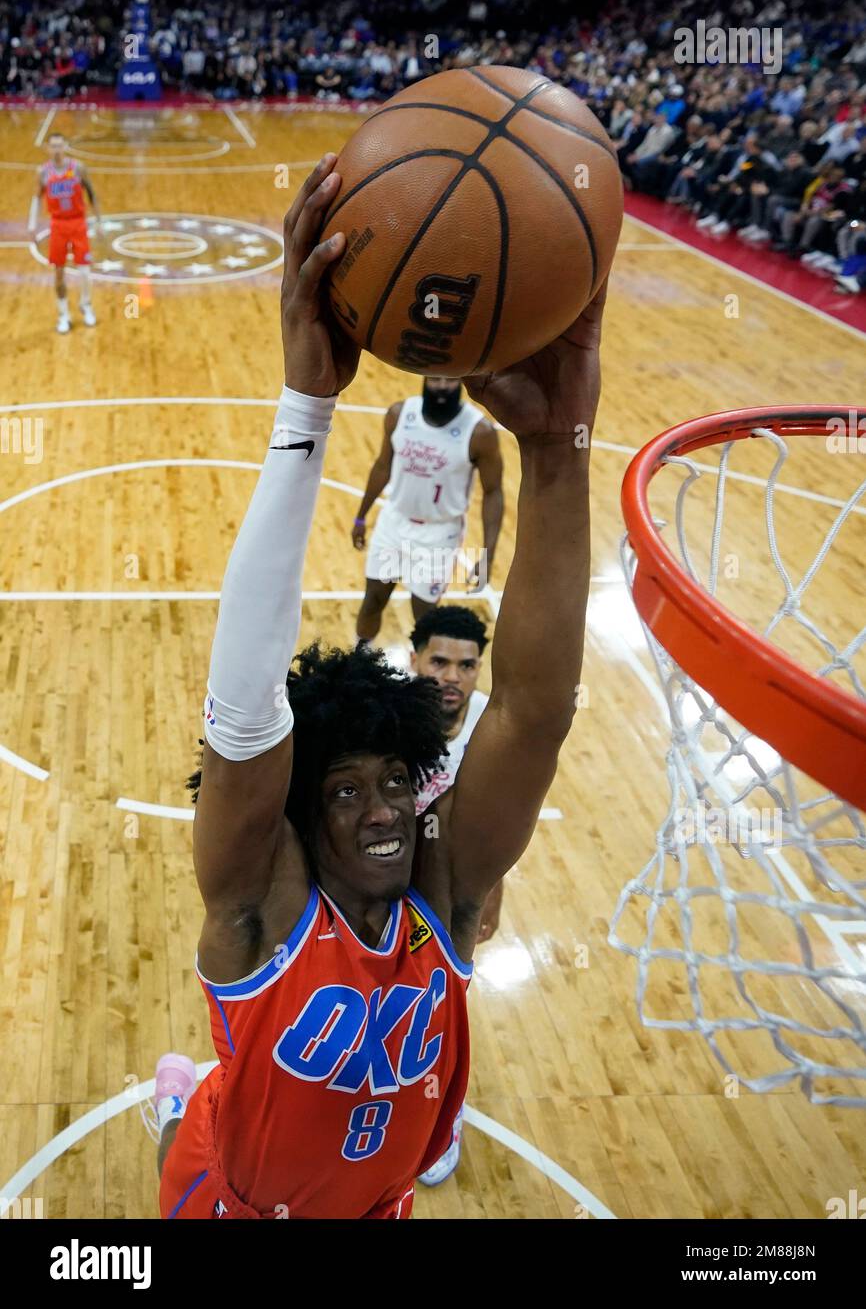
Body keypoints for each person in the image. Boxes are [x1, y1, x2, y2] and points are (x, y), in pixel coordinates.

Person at [151, 153, 605, 1219]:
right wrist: (306, 404)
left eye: (392, 780)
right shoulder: (259, 910)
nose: (382, 808)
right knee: (198, 1130)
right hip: (236, 1206)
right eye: (344, 789)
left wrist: (558, 449)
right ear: (303, 812)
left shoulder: (441, 893)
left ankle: (190, 1096)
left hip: (378, 1208)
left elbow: (534, 713)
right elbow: (245, 716)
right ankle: (183, 1105)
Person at [408, 604, 503, 1188]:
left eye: (466, 665)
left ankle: (445, 1116)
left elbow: (499, 821)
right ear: (414, 658)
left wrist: (492, 891)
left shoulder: (492, 731)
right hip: (380, 886)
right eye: (438, 660)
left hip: (452, 894)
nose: (451, 676)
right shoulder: (384, 715)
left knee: (443, 1008)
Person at [352, 377, 503, 645]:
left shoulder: (479, 433)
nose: (443, 386)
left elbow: (493, 492)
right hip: (394, 523)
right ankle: (359, 658)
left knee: (424, 616)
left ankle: (423, 679)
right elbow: (382, 467)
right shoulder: (400, 415)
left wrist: (487, 556)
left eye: (450, 379)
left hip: (438, 535)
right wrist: (361, 516)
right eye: (436, 378)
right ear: (423, 378)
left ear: (460, 383)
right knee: (373, 600)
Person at [31, 131, 102, 334]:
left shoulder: (78, 168)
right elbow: (36, 198)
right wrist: (32, 226)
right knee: (59, 273)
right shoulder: (43, 172)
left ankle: (85, 304)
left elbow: (92, 194)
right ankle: (63, 315)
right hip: (58, 225)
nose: (56, 150)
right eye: (53, 146)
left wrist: (99, 221)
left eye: (59, 145)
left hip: (78, 223)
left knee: (85, 271)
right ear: (48, 148)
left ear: (65, 146)